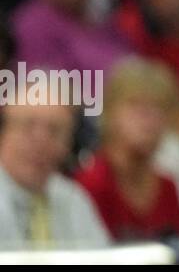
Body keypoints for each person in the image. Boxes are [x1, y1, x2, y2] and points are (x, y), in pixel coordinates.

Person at [74, 58, 179, 241]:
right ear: (110, 113)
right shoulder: (90, 186)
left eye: (159, 108)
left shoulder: (168, 188)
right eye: (136, 106)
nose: (148, 120)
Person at [0, 92, 110, 248]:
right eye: (28, 126)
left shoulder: (74, 199)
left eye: (54, 131)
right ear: (4, 131)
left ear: (69, 145)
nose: (41, 142)